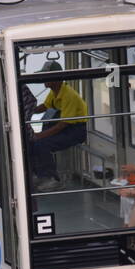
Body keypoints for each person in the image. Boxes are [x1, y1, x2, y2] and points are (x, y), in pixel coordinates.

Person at [28, 60, 88, 192]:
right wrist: (27, 111)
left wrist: (40, 135)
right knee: (32, 142)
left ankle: (53, 179)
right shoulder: (55, 91)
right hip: (65, 127)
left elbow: (63, 124)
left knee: (42, 143)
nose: (43, 79)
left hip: (76, 130)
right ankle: (39, 175)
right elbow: (45, 106)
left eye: (46, 76)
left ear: (55, 78)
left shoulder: (69, 95)